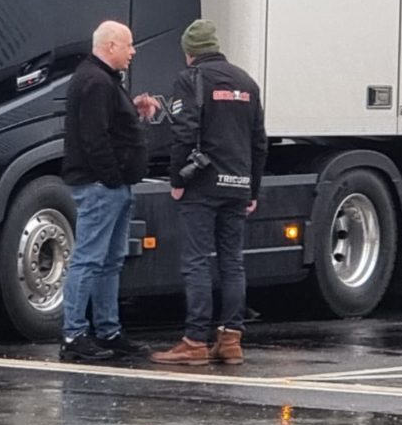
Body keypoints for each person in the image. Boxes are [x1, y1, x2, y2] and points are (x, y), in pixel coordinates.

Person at [151, 19, 267, 367]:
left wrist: (177, 179)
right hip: (238, 184)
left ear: (190, 52)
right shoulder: (247, 82)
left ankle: (195, 341)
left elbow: (184, 133)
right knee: (232, 262)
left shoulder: (190, 79)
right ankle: (231, 340)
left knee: (197, 261)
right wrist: (253, 188)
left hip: (202, 186)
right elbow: (259, 142)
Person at [60, 20, 160, 363]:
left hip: (110, 186)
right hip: (101, 187)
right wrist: (111, 178)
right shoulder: (96, 82)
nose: (133, 52)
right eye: (129, 45)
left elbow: (107, 125)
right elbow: (94, 137)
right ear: (111, 45)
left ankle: (108, 331)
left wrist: (132, 108)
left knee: (109, 261)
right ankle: (74, 335)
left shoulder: (102, 80)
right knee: (89, 259)